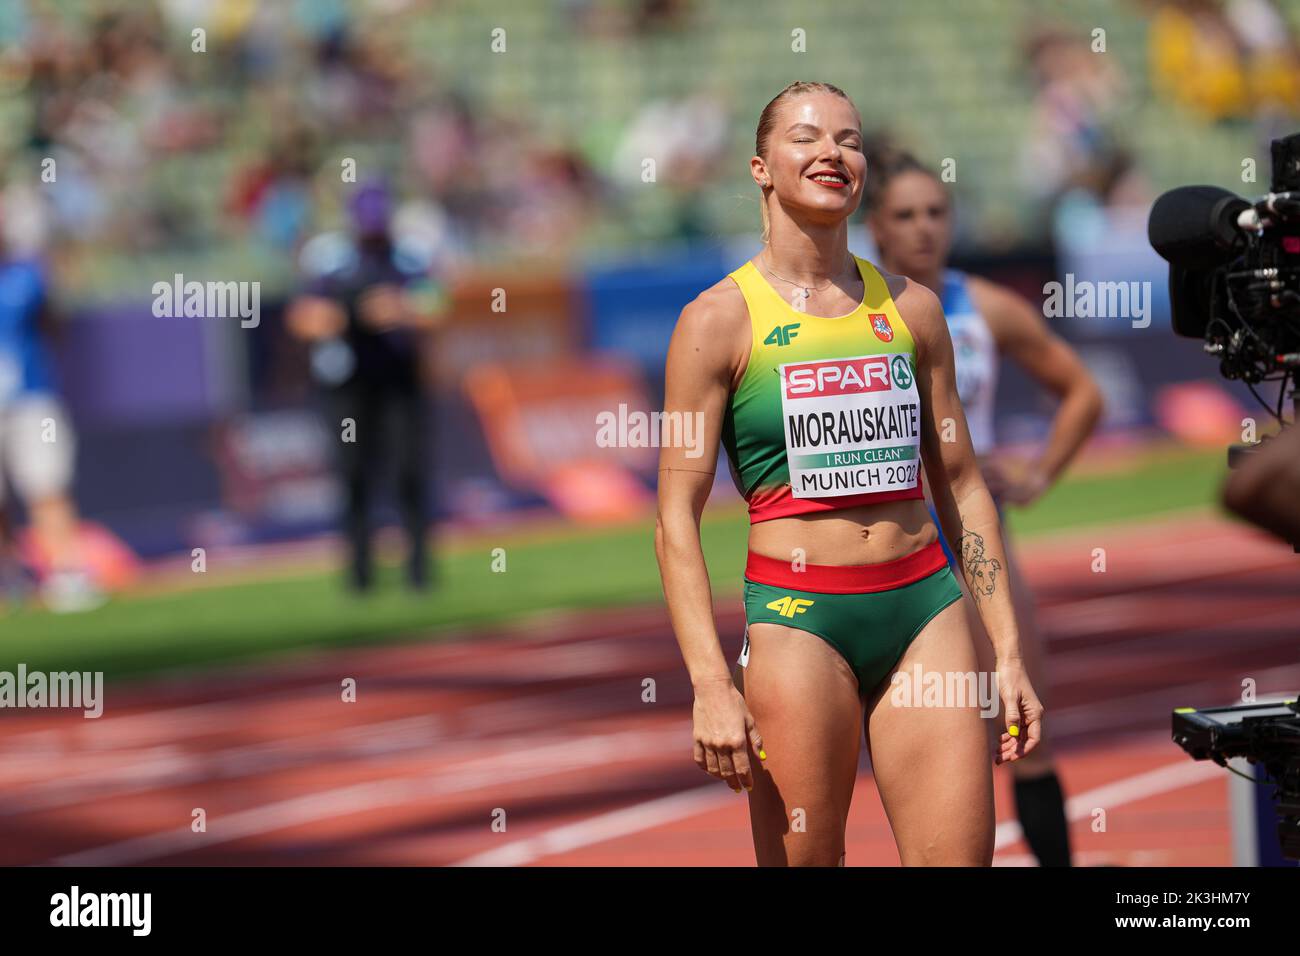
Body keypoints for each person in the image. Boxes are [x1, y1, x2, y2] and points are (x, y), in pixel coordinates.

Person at [655, 81, 1042, 867]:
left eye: (850, 139)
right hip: (800, 622)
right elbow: (674, 520)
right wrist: (708, 684)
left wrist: (1006, 646)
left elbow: (962, 485)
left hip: (925, 611)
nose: (832, 152)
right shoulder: (718, 321)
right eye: (807, 138)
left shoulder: (914, 310)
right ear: (761, 167)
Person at [863, 146, 1105, 866]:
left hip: (977, 546)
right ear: (875, 227)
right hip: (892, 549)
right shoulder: (854, 307)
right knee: (941, 738)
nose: (924, 228)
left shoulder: (985, 306)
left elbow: (1084, 392)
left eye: (936, 212)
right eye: (905, 215)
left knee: (1027, 733)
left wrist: (1034, 478)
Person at [287, 179, 447, 591]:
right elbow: (303, 316)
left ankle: (419, 572)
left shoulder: (409, 256)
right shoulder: (330, 259)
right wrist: (353, 315)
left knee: (409, 470)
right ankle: (359, 574)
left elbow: (436, 305)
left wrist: (400, 310)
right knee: (354, 474)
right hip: (349, 384)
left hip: (398, 379)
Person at [0, 249, 104, 613]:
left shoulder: (25, 277)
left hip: (30, 399)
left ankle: (68, 572)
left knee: (47, 486)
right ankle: (9, 574)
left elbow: (55, 323)